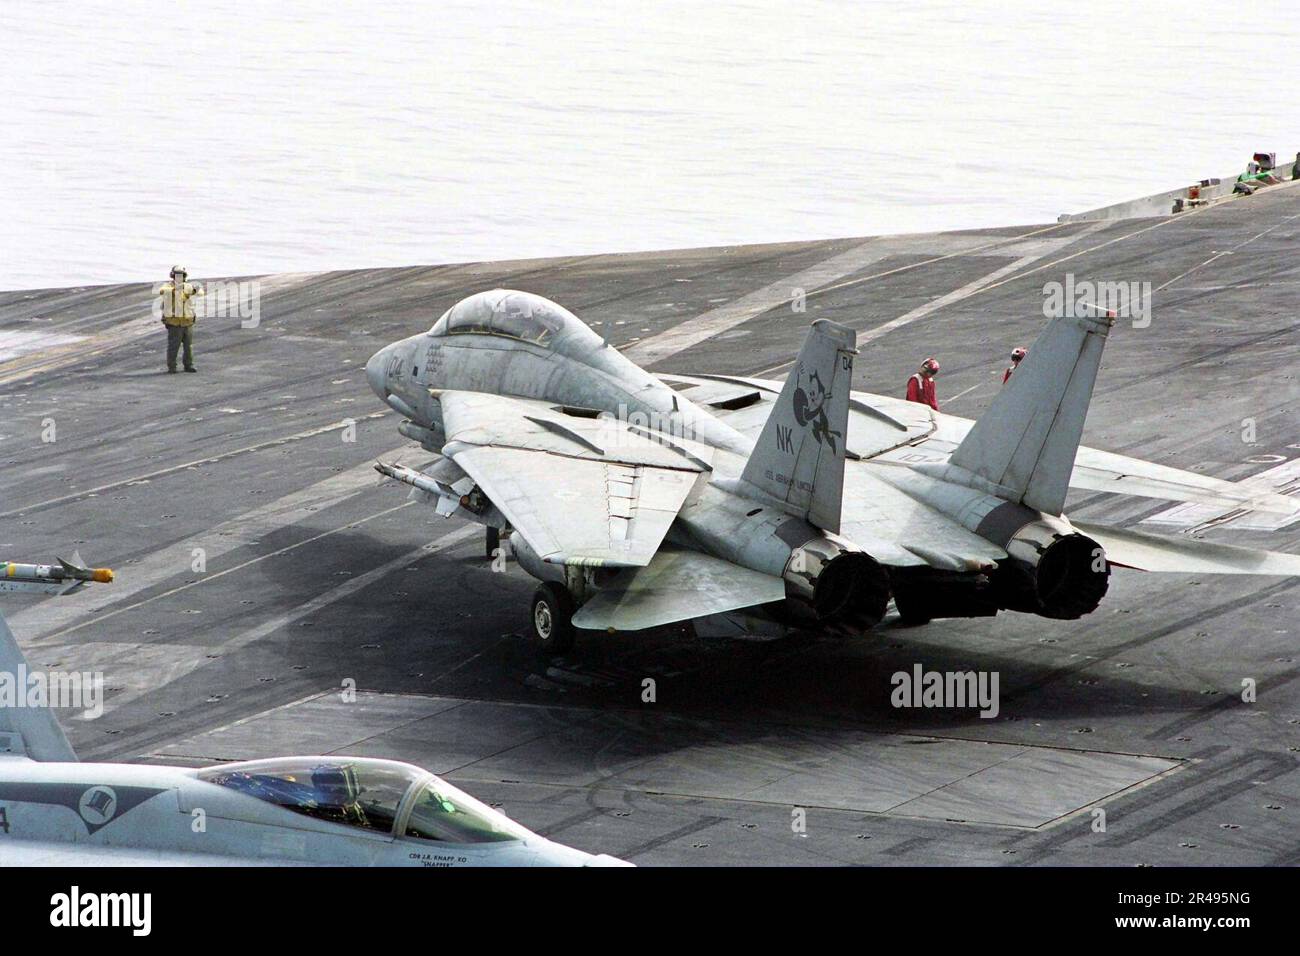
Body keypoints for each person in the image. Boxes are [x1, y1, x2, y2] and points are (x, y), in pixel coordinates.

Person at [158, 265, 203, 373]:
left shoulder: (187, 286)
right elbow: (162, 291)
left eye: (181, 275)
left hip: (187, 321)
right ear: (173, 276)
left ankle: (188, 365)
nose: (179, 277)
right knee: (173, 347)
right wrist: (175, 289)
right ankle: (172, 367)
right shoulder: (168, 286)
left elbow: (200, 292)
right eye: (177, 275)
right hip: (174, 323)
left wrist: (193, 290)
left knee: (189, 347)